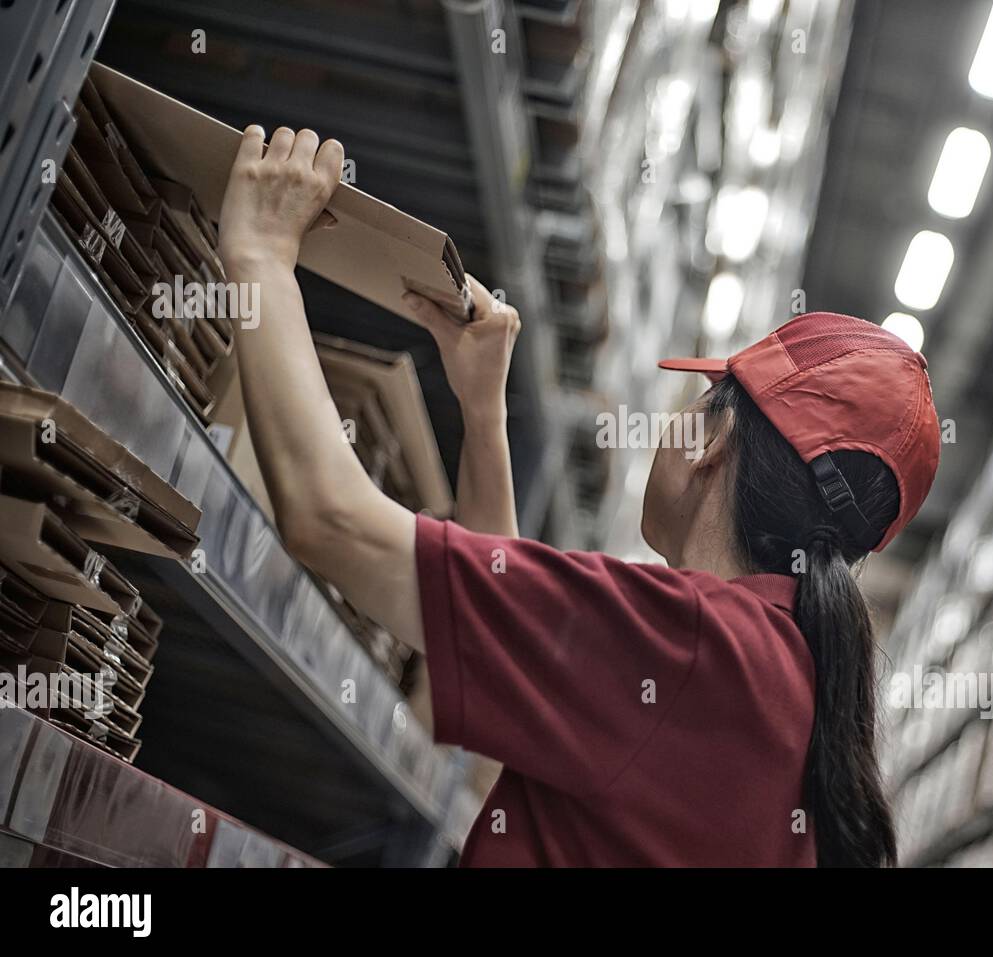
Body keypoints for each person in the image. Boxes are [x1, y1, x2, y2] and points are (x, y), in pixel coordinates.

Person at [216, 125, 941, 867]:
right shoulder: (783, 690)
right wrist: (483, 416)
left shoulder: (694, 643)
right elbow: (511, 699)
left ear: (711, 446)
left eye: (695, 398)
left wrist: (261, 256)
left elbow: (329, 517)